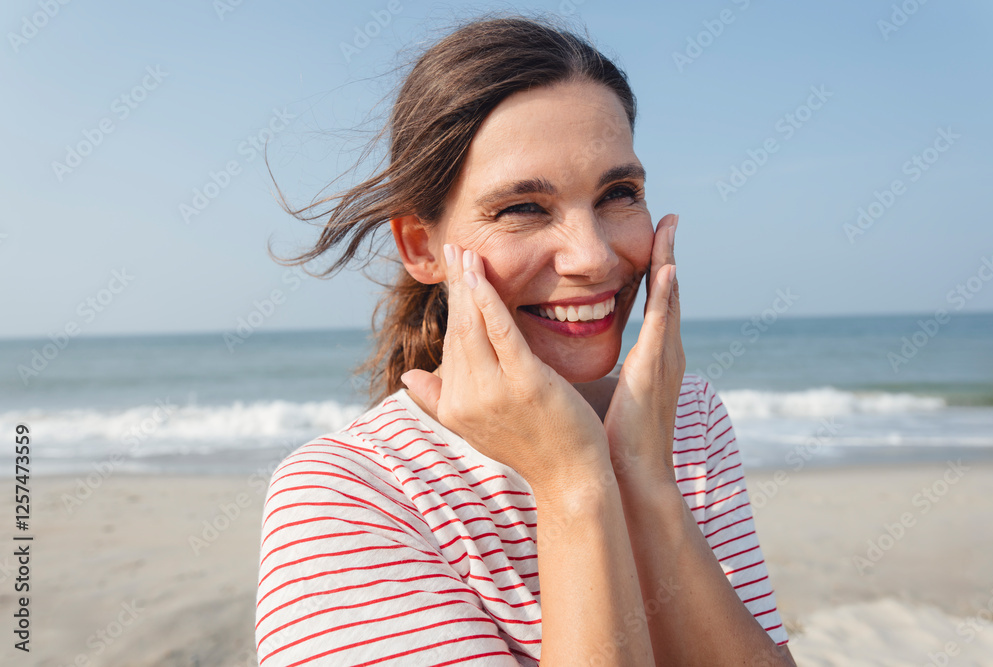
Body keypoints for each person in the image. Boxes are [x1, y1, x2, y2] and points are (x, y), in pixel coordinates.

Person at [256, 14, 796, 666]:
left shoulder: (684, 420)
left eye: (618, 193)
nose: (593, 257)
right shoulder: (343, 497)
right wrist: (574, 483)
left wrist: (647, 478)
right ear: (421, 247)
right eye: (523, 208)